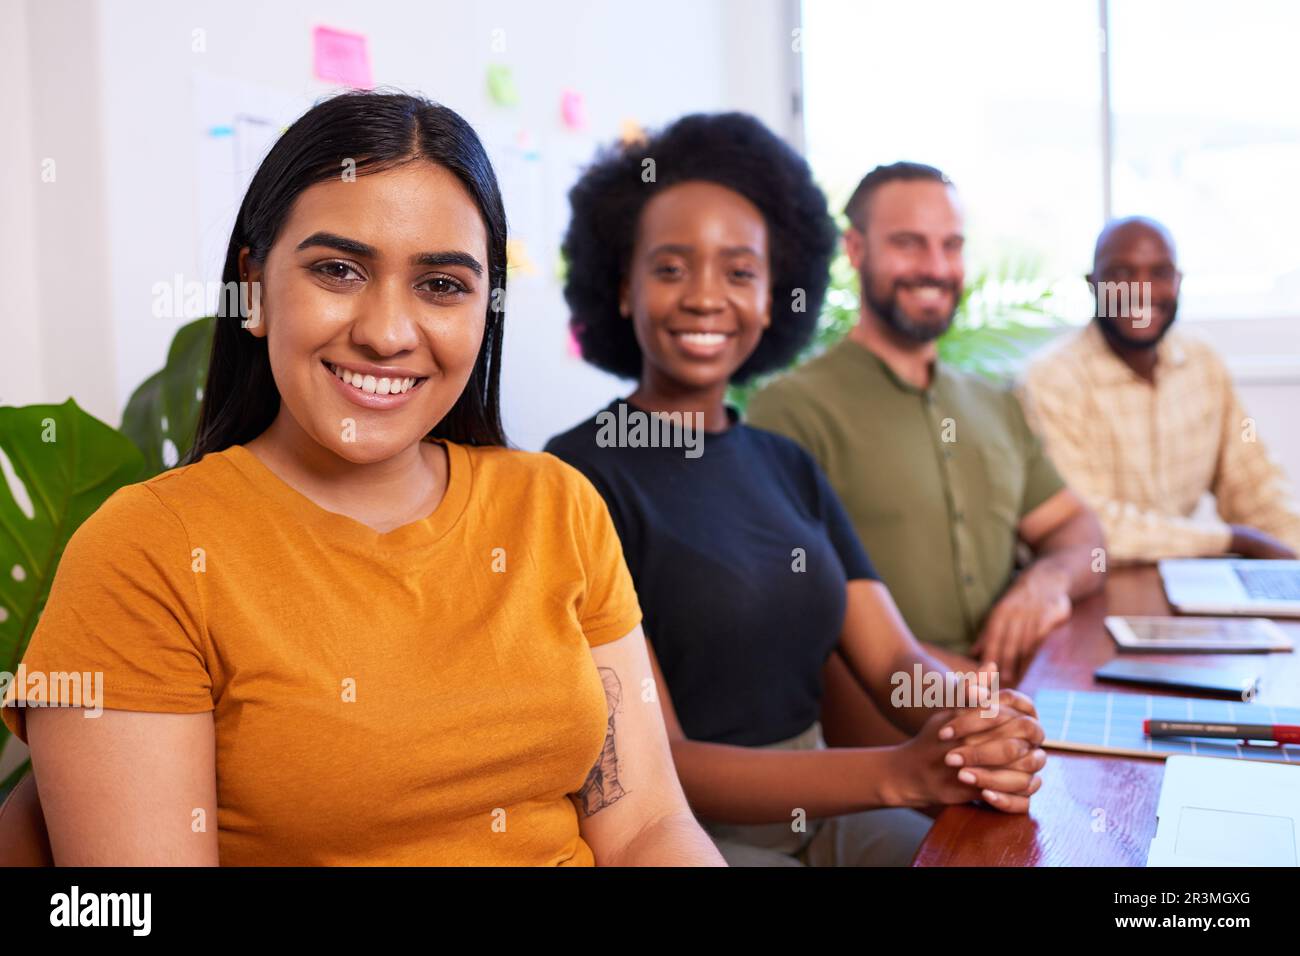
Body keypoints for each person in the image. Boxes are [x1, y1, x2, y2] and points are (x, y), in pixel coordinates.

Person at [1, 91, 722, 867]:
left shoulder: (556, 505)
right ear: (255, 286)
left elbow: (647, 824)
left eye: (441, 284)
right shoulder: (150, 550)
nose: (385, 333)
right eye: (338, 270)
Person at [546, 116, 1047, 867]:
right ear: (622, 288)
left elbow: (893, 664)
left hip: (827, 814)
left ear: (774, 295)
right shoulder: (577, 477)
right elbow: (662, 762)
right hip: (682, 834)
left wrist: (978, 717)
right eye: (672, 268)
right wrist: (898, 774)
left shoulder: (785, 463)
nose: (706, 298)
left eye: (740, 272)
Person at [747, 162, 1106, 688]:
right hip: (892, 725)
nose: (935, 267)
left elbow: (1078, 531)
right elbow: (790, 606)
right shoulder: (791, 409)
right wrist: (958, 690)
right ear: (855, 250)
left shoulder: (995, 401)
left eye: (951, 245)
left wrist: (1046, 581)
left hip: (1030, 693)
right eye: (909, 244)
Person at [1020, 216, 1300, 562]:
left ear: (1178, 281)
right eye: (1121, 274)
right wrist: (1229, 541)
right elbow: (1088, 525)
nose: (1141, 290)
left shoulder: (1202, 361)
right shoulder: (1051, 379)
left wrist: (1292, 550)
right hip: (1093, 580)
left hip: (1187, 579)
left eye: (1160, 273)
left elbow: (1255, 484)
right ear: (1092, 284)